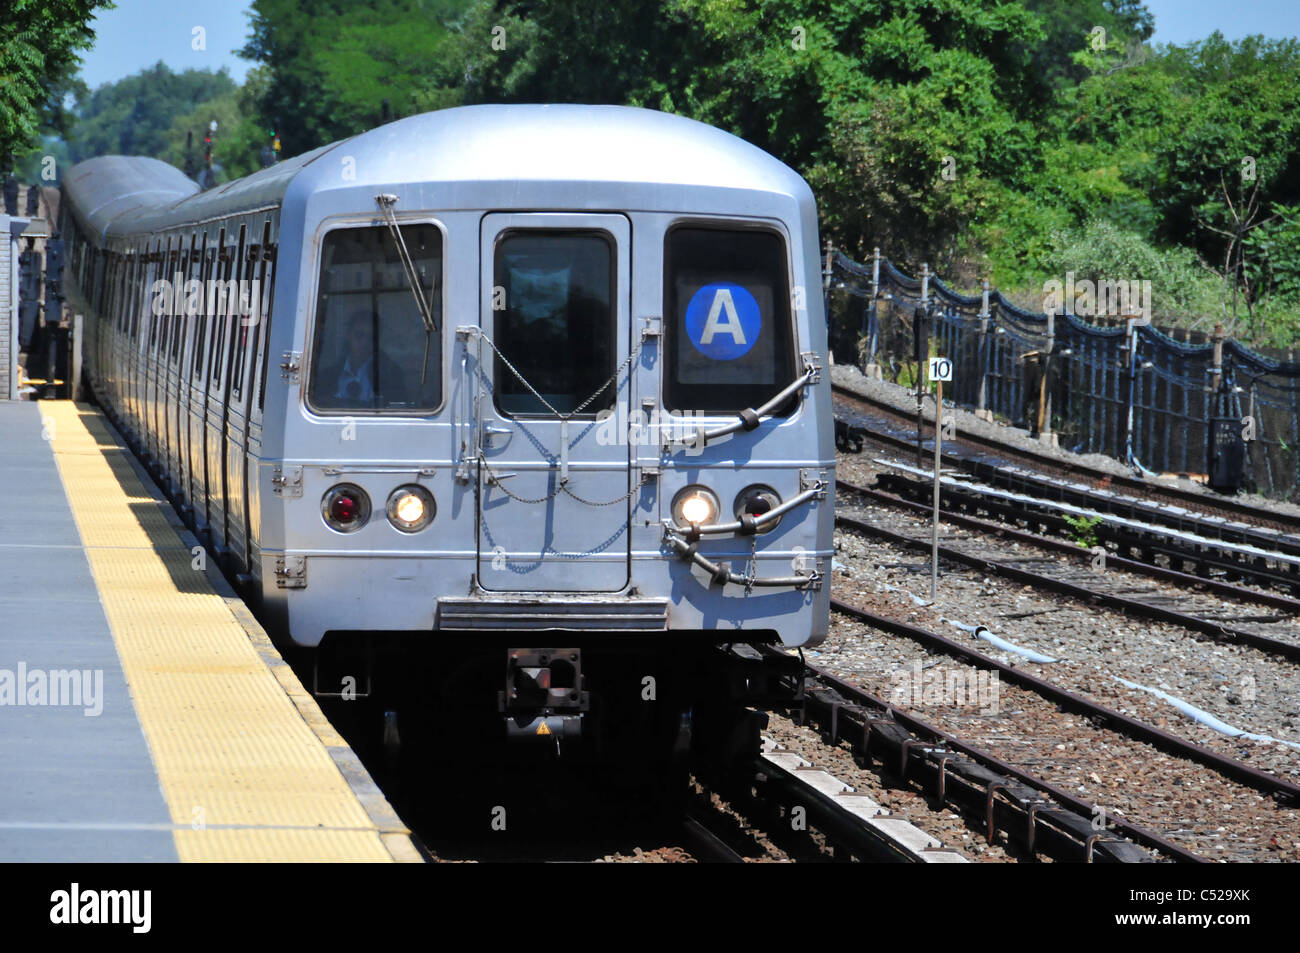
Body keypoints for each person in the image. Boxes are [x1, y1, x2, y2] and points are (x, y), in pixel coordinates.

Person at [315, 308, 405, 408]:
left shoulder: (391, 375)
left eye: (371, 337)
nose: (364, 342)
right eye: (359, 335)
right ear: (348, 335)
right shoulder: (327, 376)